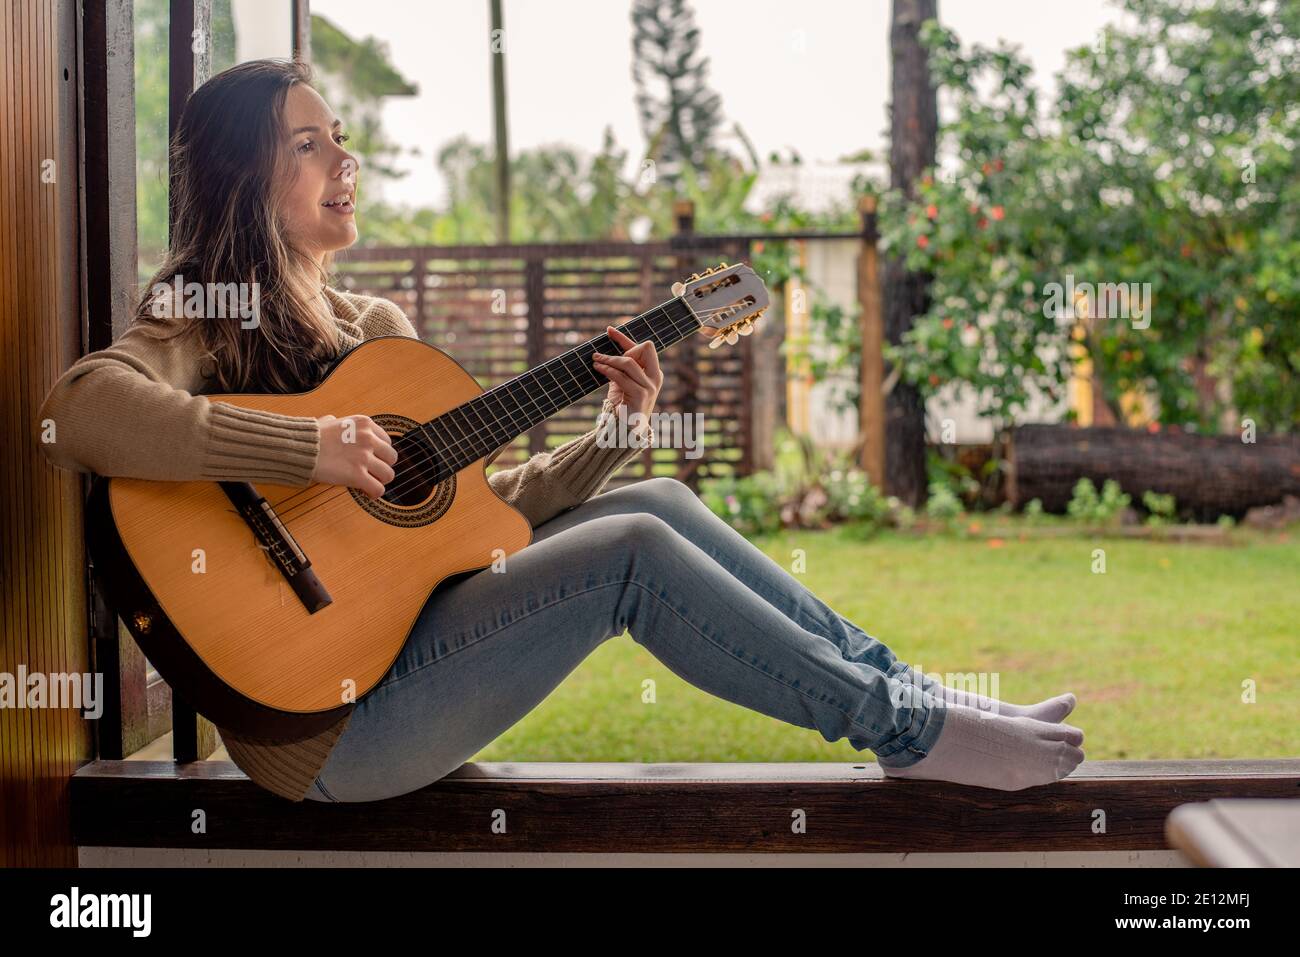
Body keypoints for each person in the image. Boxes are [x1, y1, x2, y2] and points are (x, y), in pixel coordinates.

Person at [37, 59, 1084, 803]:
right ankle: (909, 732)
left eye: (340, 138)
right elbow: (82, 410)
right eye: (306, 145)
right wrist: (304, 449)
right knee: (630, 554)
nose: (341, 160)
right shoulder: (206, 315)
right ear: (239, 175)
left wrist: (613, 433)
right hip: (326, 734)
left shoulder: (378, 336)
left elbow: (474, 522)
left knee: (654, 501)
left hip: (407, 658)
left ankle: (914, 696)